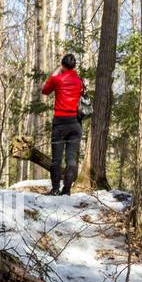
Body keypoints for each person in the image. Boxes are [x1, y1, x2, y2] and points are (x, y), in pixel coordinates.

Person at [40, 53, 85, 196]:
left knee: (57, 159)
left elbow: (45, 90)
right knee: (71, 159)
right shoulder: (80, 81)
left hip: (60, 123)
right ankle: (67, 190)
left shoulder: (57, 79)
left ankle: (55, 189)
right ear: (74, 66)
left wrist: (57, 71)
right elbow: (83, 93)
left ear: (63, 65)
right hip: (75, 123)